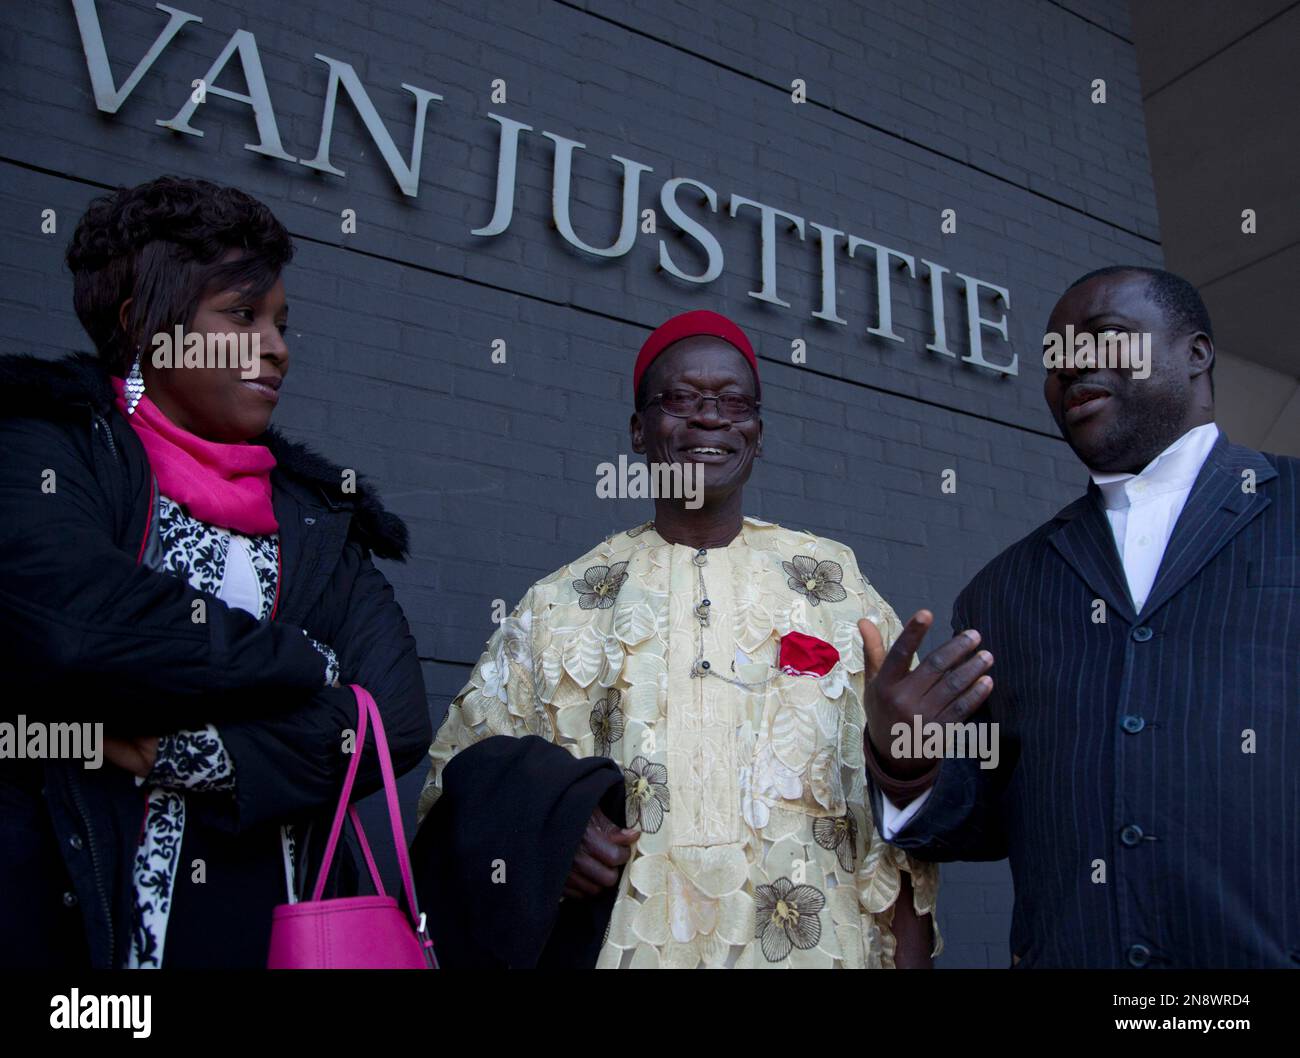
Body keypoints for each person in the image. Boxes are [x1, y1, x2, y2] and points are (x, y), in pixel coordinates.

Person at [414, 310, 993, 968]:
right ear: (639, 429)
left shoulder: (838, 589)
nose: (711, 417)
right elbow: (454, 792)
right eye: (682, 399)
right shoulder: (558, 606)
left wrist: (906, 758)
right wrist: (547, 833)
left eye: (733, 401)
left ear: (758, 431)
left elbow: (901, 859)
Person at [0, 176, 431, 968]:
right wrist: (310, 662)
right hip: (79, 919)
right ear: (144, 327)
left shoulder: (317, 516)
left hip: (275, 928)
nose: (277, 348)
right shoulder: (50, 446)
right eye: (243, 317)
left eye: (281, 323)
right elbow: (77, 630)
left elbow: (394, 721)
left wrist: (180, 749)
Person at [867, 266, 1299, 968]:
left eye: (1104, 338)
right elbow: (985, 812)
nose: (1071, 366)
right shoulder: (1001, 591)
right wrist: (908, 765)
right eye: (1054, 357)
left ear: (1196, 353)